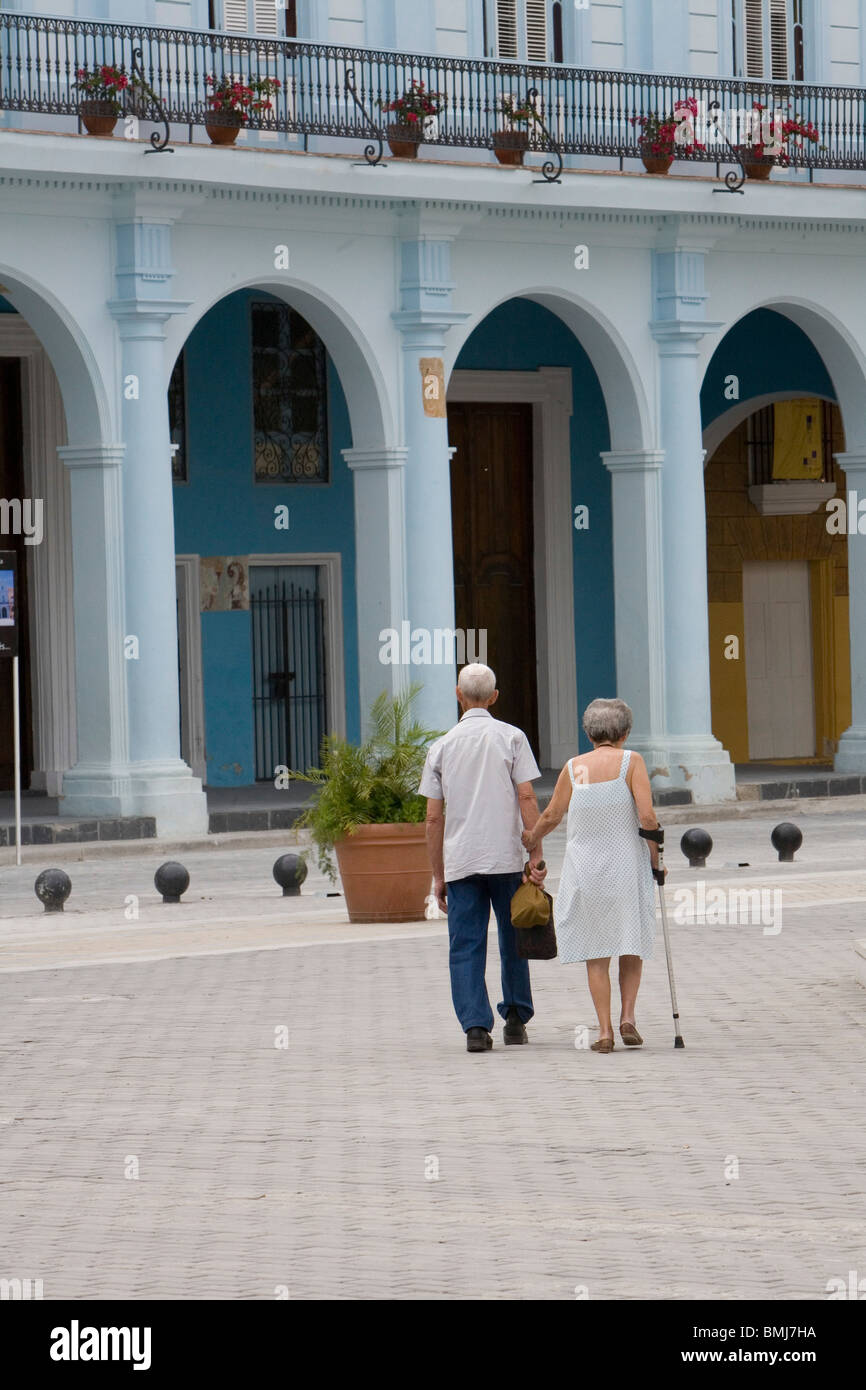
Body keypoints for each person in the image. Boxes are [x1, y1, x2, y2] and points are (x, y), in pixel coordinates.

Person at [420, 663, 547, 1053]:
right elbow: (526, 797)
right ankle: (514, 1019)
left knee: (465, 944)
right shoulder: (511, 738)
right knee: (515, 939)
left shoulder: (440, 747)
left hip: (461, 860)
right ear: (494, 697)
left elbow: (432, 817)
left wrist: (437, 876)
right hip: (506, 858)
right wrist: (536, 854)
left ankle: (475, 1026)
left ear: (458, 695)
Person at [521, 697, 660, 1053]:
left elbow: (552, 814)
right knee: (631, 943)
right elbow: (647, 818)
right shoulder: (632, 762)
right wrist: (656, 859)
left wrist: (531, 838)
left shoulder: (573, 767)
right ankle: (628, 1016)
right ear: (625, 732)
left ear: (588, 732)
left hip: (586, 871)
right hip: (626, 867)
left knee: (596, 952)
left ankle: (604, 1031)